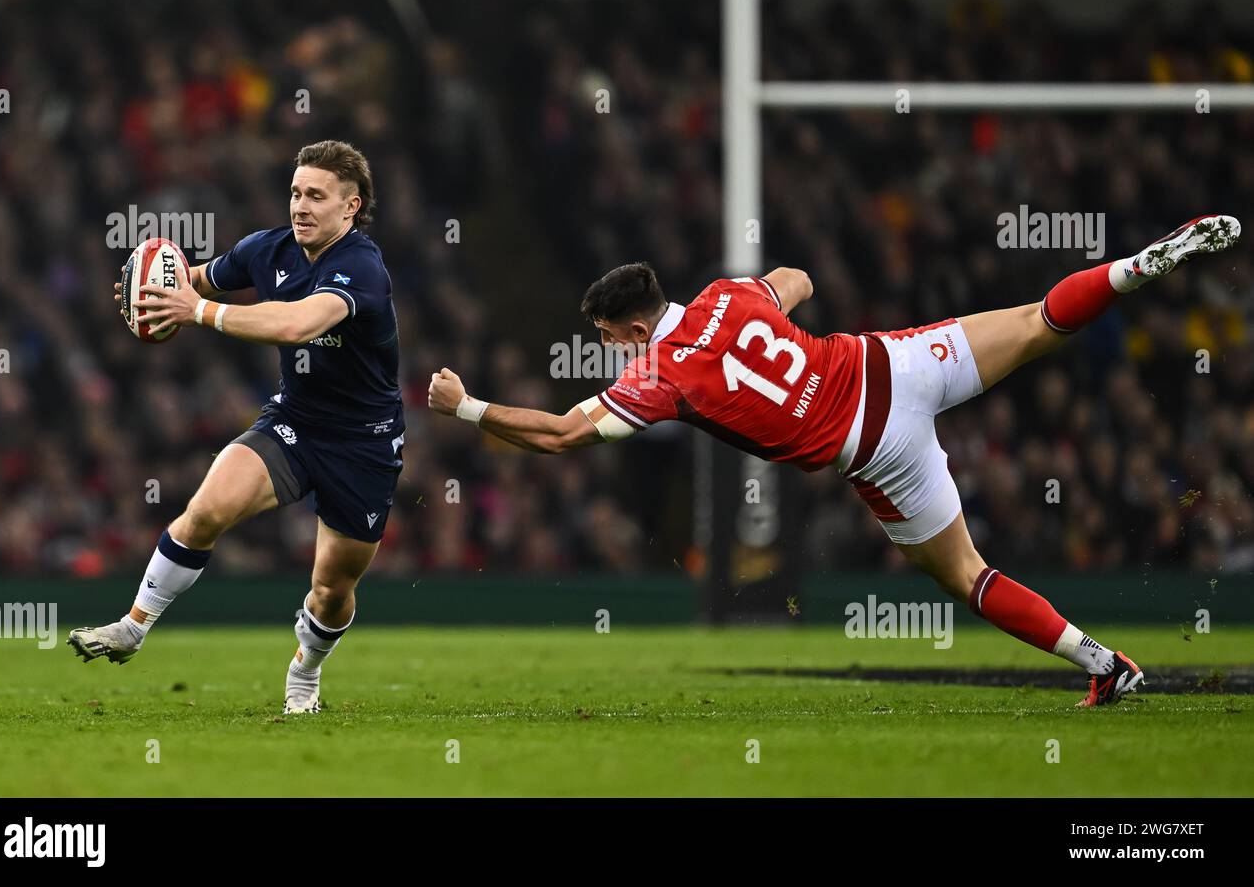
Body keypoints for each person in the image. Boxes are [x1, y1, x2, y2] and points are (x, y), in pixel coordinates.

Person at [428, 215, 1242, 707]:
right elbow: (800, 277)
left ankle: (1103, 664)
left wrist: (464, 406)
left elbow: (561, 434)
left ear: (630, 333)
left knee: (965, 576)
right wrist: (773, 306)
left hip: (879, 448)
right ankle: (1134, 267)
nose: (612, 358)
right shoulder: (725, 295)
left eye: (608, 345)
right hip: (890, 364)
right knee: (1034, 320)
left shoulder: (659, 373)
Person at [69, 140, 404, 715]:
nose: (300, 205)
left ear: (350, 208)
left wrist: (197, 312)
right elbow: (194, 279)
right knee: (205, 510)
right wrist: (155, 290)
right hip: (294, 423)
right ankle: (133, 626)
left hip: (364, 442)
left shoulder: (362, 267)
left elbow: (299, 323)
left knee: (331, 588)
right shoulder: (265, 249)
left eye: (316, 196)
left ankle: (306, 668)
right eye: (296, 192)